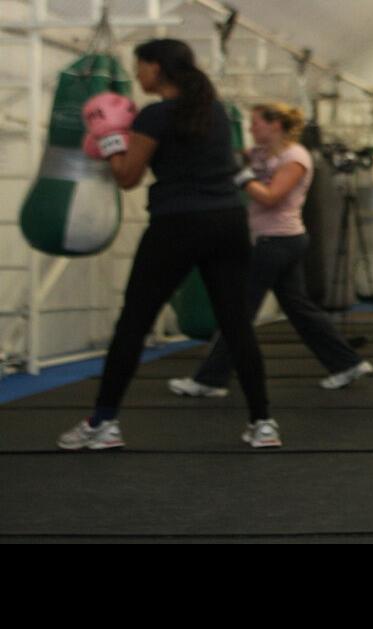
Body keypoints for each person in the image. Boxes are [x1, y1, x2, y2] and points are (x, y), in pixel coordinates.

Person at [57, 39, 279, 450]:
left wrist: (109, 138)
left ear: (157, 68)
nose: (137, 74)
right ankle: (263, 423)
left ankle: (103, 423)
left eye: (140, 66)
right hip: (229, 222)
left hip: (178, 223)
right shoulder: (215, 111)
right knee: (236, 324)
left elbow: (127, 177)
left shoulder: (155, 115)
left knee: (134, 323)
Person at [167, 102, 373, 399]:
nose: (251, 129)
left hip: (276, 242)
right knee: (299, 308)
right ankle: (347, 363)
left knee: (238, 311)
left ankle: (210, 379)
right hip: (276, 241)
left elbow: (270, 197)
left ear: (275, 124)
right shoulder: (261, 153)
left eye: (256, 123)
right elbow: (226, 155)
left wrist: (242, 176)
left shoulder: (295, 157)